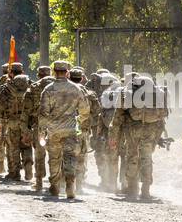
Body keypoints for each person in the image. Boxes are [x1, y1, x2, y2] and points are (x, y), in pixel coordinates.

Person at [38, 60, 90, 199]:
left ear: (54, 72)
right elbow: (85, 110)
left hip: (53, 130)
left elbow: (43, 113)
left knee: (54, 159)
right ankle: (70, 185)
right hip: (71, 129)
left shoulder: (48, 89)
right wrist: (77, 120)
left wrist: (42, 132)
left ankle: (54, 186)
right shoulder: (76, 89)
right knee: (70, 157)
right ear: (67, 72)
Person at [113, 72, 168, 200]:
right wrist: (158, 136)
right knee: (147, 157)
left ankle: (132, 189)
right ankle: (145, 190)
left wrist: (113, 135)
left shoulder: (126, 92)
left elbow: (118, 115)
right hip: (151, 129)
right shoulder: (158, 93)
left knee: (132, 155)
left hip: (133, 128)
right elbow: (163, 115)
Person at [0, 64, 32, 181]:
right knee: (26, 144)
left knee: (13, 147)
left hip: (12, 122)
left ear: (10, 72)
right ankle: (28, 167)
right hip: (27, 122)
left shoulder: (7, 88)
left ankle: (14, 173)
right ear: (22, 71)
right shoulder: (30, 86)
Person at [70, 66, 102, 188]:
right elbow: (97, 111)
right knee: (81, 156)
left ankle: (64, 182)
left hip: (64, 128)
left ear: (69, 77)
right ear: (82, 78)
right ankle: (79, 184)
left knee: (65, 154)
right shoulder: (89, 93)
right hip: (82, 130)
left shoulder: (62, 91)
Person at [25, 65, 52, 191]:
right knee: (56, 154)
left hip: (39, 126)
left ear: (38, 75)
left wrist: (26, 128)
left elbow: (27, 110)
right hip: (56, 125)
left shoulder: (34, 88)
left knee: (39, 154)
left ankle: (39, 182)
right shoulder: (59, 86)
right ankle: (57, 182)